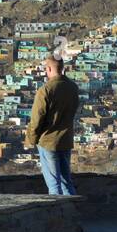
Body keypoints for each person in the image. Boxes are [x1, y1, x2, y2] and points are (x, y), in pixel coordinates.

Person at [25, 55, 80, 195]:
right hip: (66, 140)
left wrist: (31, 139)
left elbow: (37, 119)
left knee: (54, 183)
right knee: (66, 181)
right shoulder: (73, 87)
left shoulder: (46, 90)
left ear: (48, 68)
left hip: (48, 141)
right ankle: (72, 212)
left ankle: (57, 215)